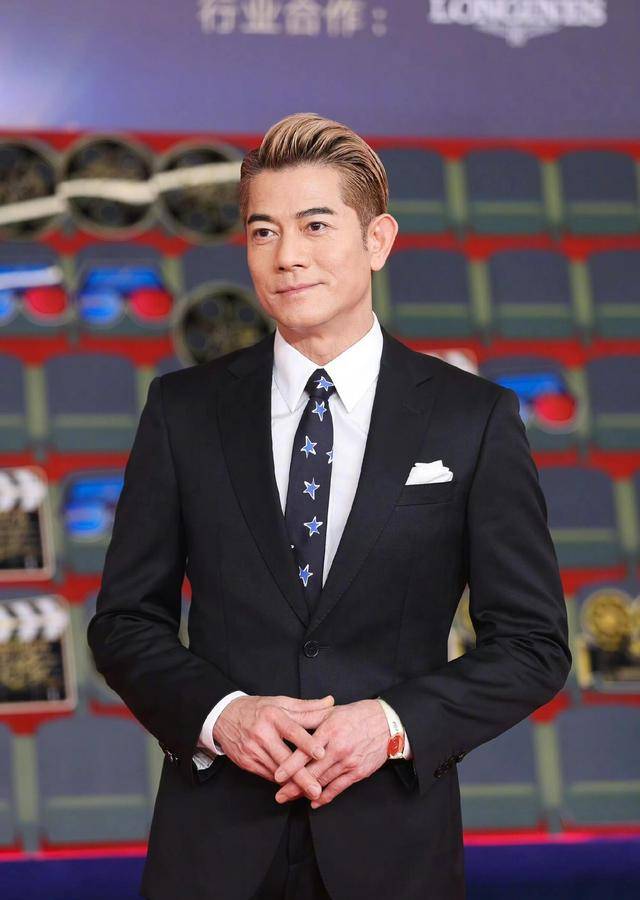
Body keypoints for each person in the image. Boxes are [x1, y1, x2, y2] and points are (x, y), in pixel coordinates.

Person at [87, 112, 572, 900]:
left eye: (315, 225)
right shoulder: (183, 411)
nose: (288, 255)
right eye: (263, 231)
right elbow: (123, 622)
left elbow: (533, 644)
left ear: (378, 239)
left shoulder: (471, 419)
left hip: (394, 851)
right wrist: (222, 714)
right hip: (212, 851)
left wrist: (389, 724)